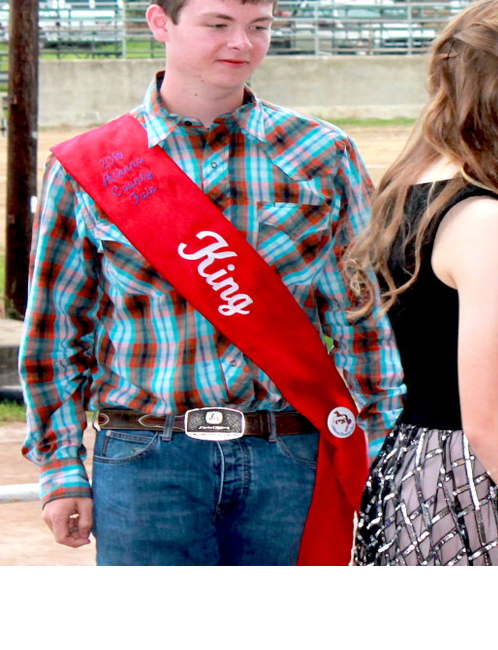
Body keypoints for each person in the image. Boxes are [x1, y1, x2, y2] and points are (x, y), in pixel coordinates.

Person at [20, 0, 404, 565]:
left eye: (259, 26)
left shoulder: (323, 153)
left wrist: (380, 451)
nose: (241, 43)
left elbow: (364, 320)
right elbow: (54, 335)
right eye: (218, 24)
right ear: (160, 22)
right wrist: (60, 469)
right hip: (144, 457)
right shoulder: (89, 166)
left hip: (287, 454)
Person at [348, 0, 498, 566]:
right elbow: (488, 421)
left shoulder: (411, 187)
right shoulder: (490, 220)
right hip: (476, 490)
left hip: (416, 472)